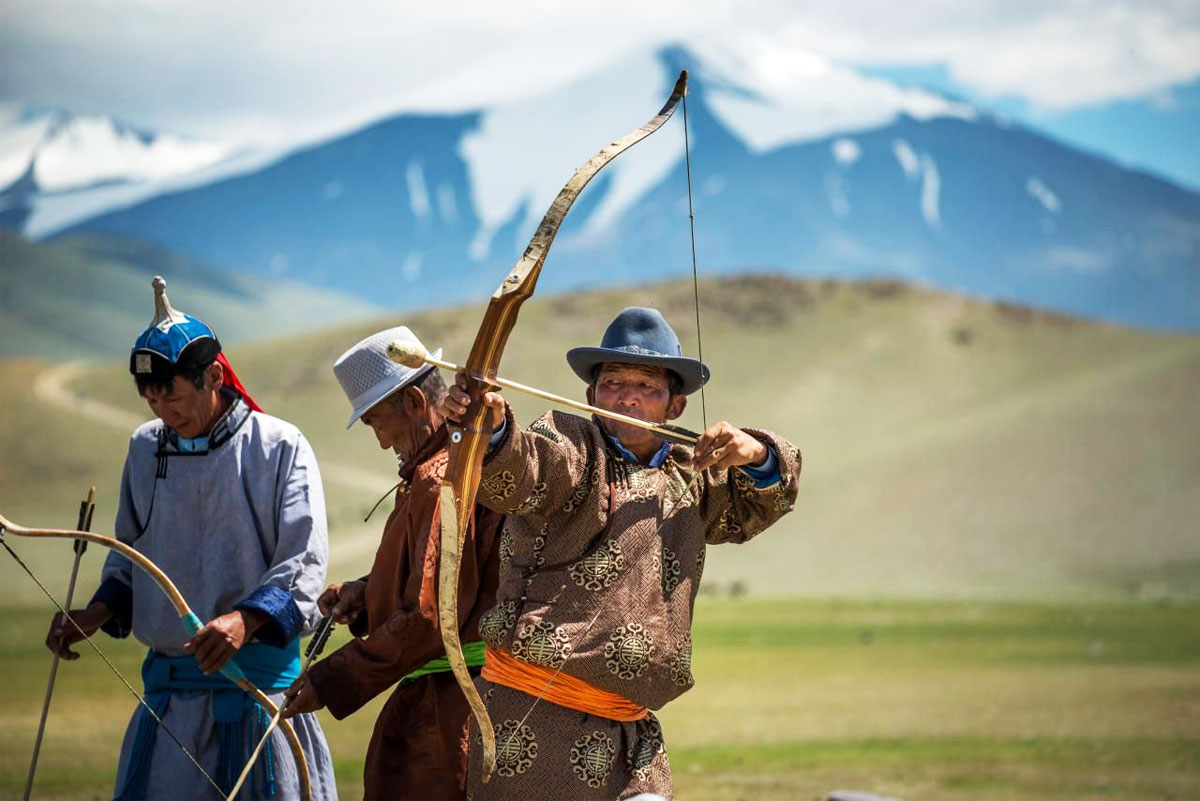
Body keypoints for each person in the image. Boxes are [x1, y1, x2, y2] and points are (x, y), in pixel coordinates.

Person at [440, 306, 802, 799]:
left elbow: (757, 501)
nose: (628, 397)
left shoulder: (692, 471)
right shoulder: (570, 443)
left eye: (648, 387)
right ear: (591, 395)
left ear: (674, 406)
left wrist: (756, 453)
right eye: (613, 384)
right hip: (532, 726)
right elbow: (525, 470)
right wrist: (493, 428)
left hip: (633, 736)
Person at [43, 277, 337, 800]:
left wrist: (245, 621)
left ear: (214, 377)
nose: (164, 412)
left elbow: (304, 563)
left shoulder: (279, 446)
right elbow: (130, 558)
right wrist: (95, 614)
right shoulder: (144, 449)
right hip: (170, 713)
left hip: (259, 702)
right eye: (151, 399)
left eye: (173, 395)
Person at [282, 326, 503, 800]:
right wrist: (366, 594)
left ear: (415, 405)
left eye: (377, 423)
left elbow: (429, 617)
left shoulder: (440, 476)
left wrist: (333, 678)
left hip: (451, 713)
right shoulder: (439, 470)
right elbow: (431, 580)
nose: (382, 442)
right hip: (449, 702)